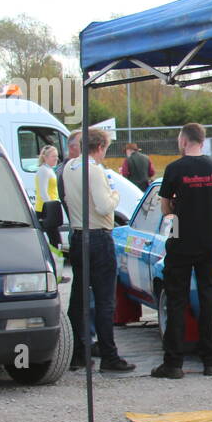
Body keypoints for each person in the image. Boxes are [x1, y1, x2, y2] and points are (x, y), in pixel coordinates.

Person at [152, 122, 212, 379]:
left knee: (177, 300)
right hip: (211, 241)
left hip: (181, 241)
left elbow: (166, 210)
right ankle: (211, 361)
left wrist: (177, 205)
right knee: (209, 300)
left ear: (184, 141)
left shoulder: (175, 169)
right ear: (203, 141)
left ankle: (173, 363)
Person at [62, 128, 135, 373]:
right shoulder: (94, 170)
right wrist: (114, 195)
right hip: (98, 236)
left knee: (78, 297)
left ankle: (77, 352)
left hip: (78, 234)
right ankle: (109, 355)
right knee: (105, 300)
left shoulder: (69, 167)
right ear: (101, 147)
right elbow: (104, 206)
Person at [35, 145, 59, 211]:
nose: (56, 158)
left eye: (57, 156)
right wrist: (50, 209)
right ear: (45, 157)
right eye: (53, 156)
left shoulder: (49, 169)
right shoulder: (44, 170)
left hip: (51, 205)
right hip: (44, 208)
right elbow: (43, 193)